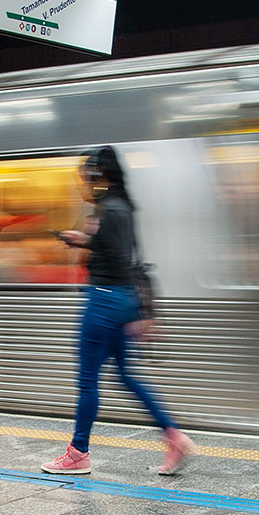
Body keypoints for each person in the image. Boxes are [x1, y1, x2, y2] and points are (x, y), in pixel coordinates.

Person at [44, 146, 192, 477]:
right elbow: (124, 255)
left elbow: (111, 255)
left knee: (87, 380)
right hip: (123, 300)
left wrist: (83, 242)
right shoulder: (123, 207)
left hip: (103, 300)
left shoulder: (106, 211)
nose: (84, 184)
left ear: (98, 175)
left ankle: (78, 453)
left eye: (86, 177)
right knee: (125, 374)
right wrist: (141, 311)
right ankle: (173, 435)